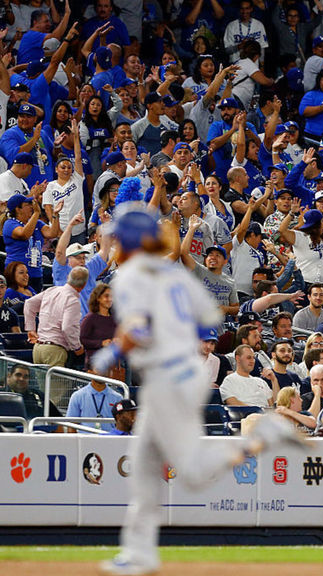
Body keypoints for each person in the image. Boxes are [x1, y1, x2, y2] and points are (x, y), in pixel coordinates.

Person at [94, 205, 301, 576]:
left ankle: (262, 437)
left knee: (188, 470)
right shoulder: (176, 276)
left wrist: (114, 349)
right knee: (144, 462)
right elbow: (210, 316)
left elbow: (138, 327)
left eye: (118, 236)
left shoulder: (131, 276)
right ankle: (139, 553)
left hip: (168, 376)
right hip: (187, 371)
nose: (113, 241)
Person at [23, 267, 88, 368]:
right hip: (55, 351)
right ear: (84, 285)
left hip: (38, 348)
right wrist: (77, 347)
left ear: (67, 278)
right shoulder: (73, 300)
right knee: (57, 384)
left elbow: (29, 304)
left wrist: (31, 329)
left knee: (42, 384)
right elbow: (67, 327)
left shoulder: (51, 290)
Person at [79, 283, 117, 366]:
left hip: (114, 363)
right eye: (106, 296)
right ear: (98, 298)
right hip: (95, 363)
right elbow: (82, 339)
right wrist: (101, 343)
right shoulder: (90, 318)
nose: (110, 299)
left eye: (111, 296)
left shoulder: (114, 318)